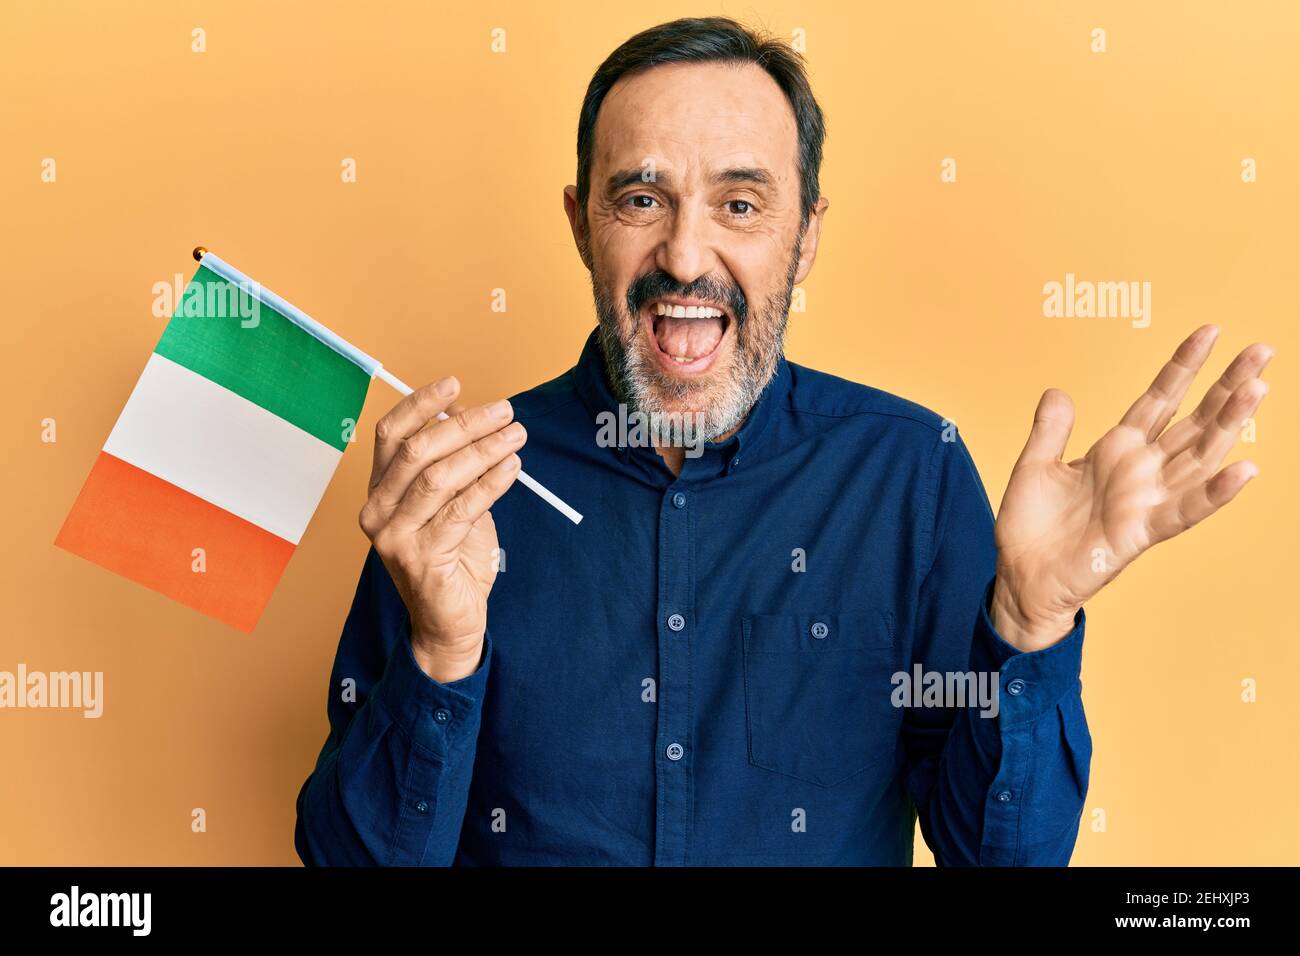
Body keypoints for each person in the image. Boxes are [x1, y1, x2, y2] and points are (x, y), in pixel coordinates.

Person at [294, 16, 1271, 866]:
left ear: (804, 236)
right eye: (639, 198)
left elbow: (1001, 856)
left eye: (740, 203)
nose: (683, 254)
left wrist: (1027, 621)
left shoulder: (908, 475)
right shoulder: (462, 486)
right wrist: (440, 648)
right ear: (582, 224)